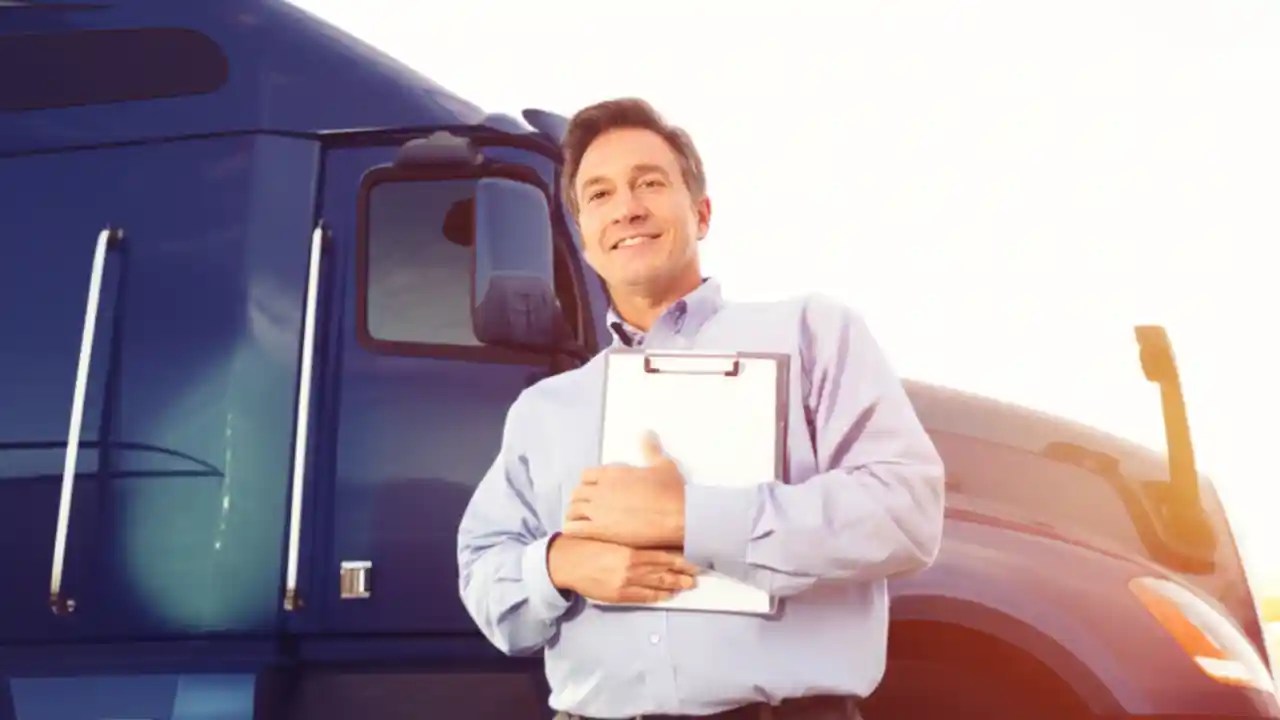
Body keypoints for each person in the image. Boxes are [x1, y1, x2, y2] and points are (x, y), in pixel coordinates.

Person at [456, 97, 946, 720]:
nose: (627, 208)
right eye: (600, 195)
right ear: (584, 239)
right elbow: (483, 572)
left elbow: (906, 513)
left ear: (702, 213)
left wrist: (691, 517)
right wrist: (559, 564)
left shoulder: (813, 336)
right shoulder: (545, 409)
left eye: (649, 183)